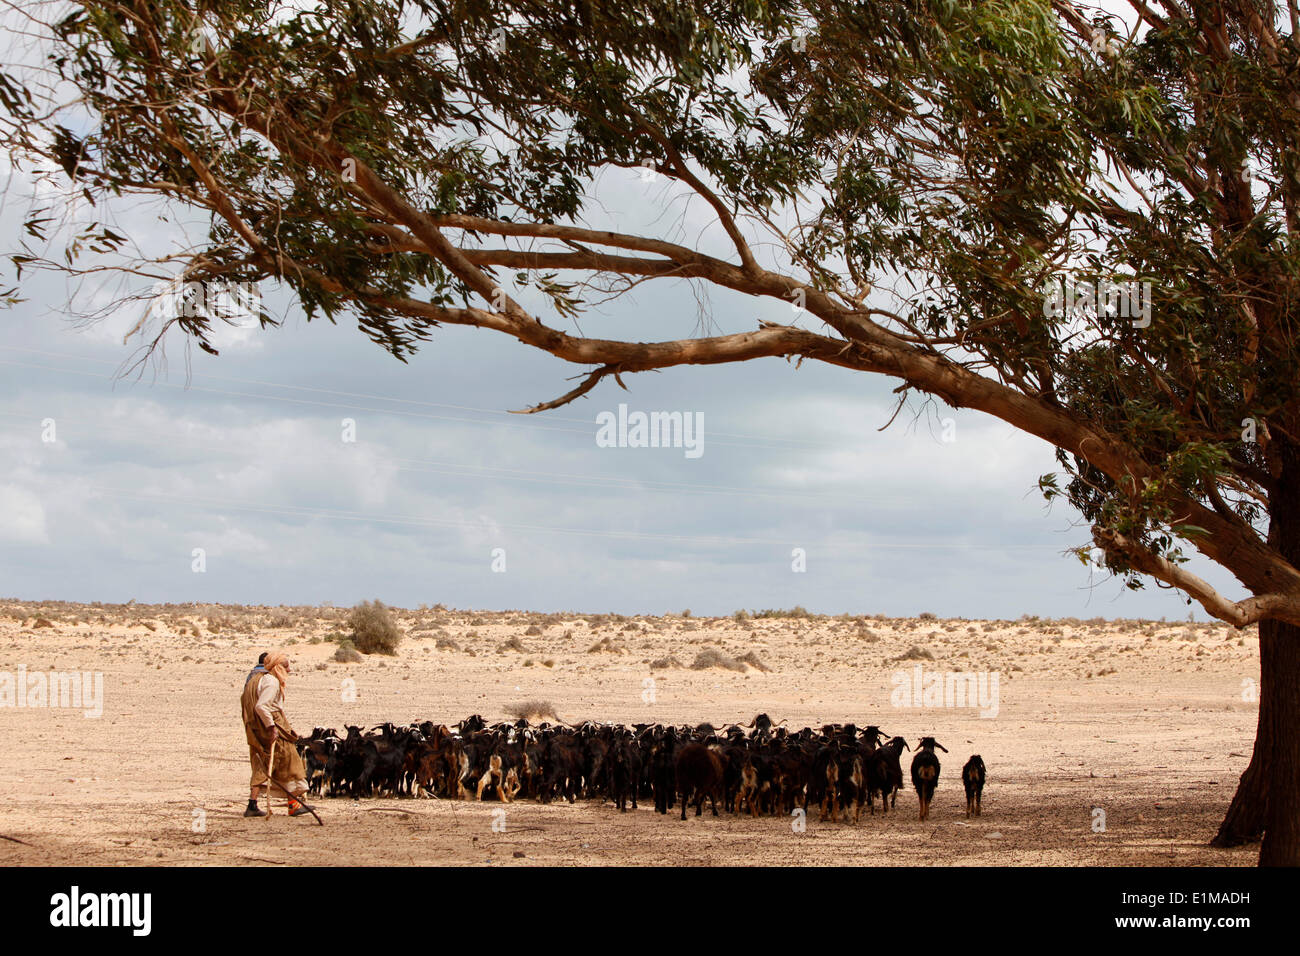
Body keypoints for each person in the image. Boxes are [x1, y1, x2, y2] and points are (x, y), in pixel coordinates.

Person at [240, 650, 314, 818]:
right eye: (286, 666)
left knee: (262, 764)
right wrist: (272, 727)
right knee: (290, 762)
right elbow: (262, 706)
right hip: (271, 728)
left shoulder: (255, 679)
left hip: (255, 729)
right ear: (277, 666)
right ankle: (293, 805)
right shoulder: (271, 682)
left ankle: (252, 805)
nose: (289, 670)